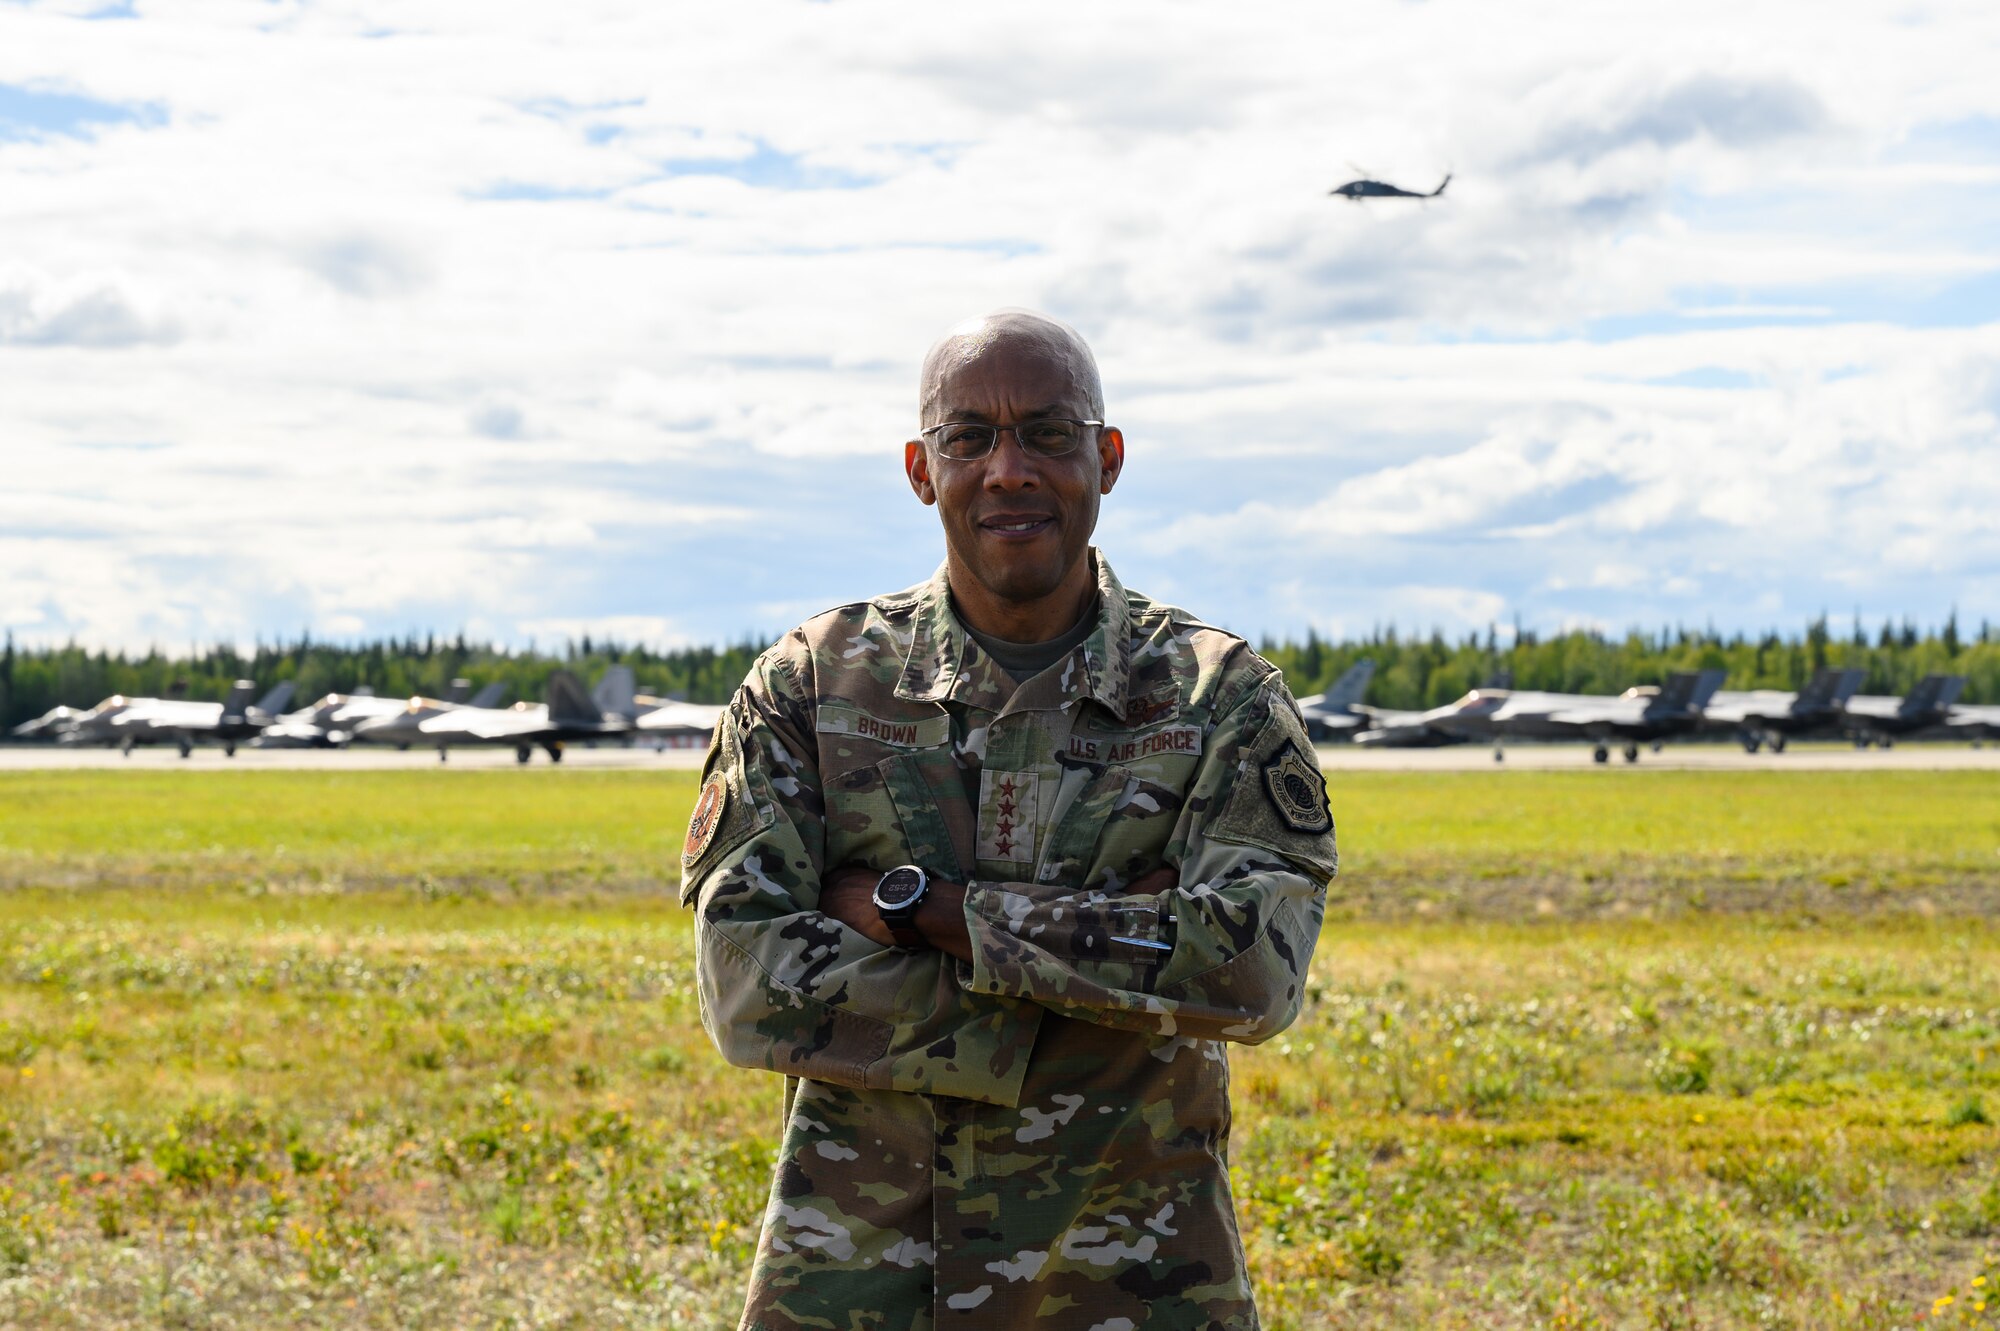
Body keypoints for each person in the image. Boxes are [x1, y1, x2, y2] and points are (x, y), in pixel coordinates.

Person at [683, 309, 1337, 1329]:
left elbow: (1254, 973)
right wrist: (1113, 981)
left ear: (1105, 457)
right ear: (918, 467)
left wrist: (933, 913)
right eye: (968, 437)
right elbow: (747, 985)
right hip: (854, 1285)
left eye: (1045, 431)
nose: (1008, 469)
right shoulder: (811, 686)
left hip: (1133, 1283)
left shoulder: (1217, 698)